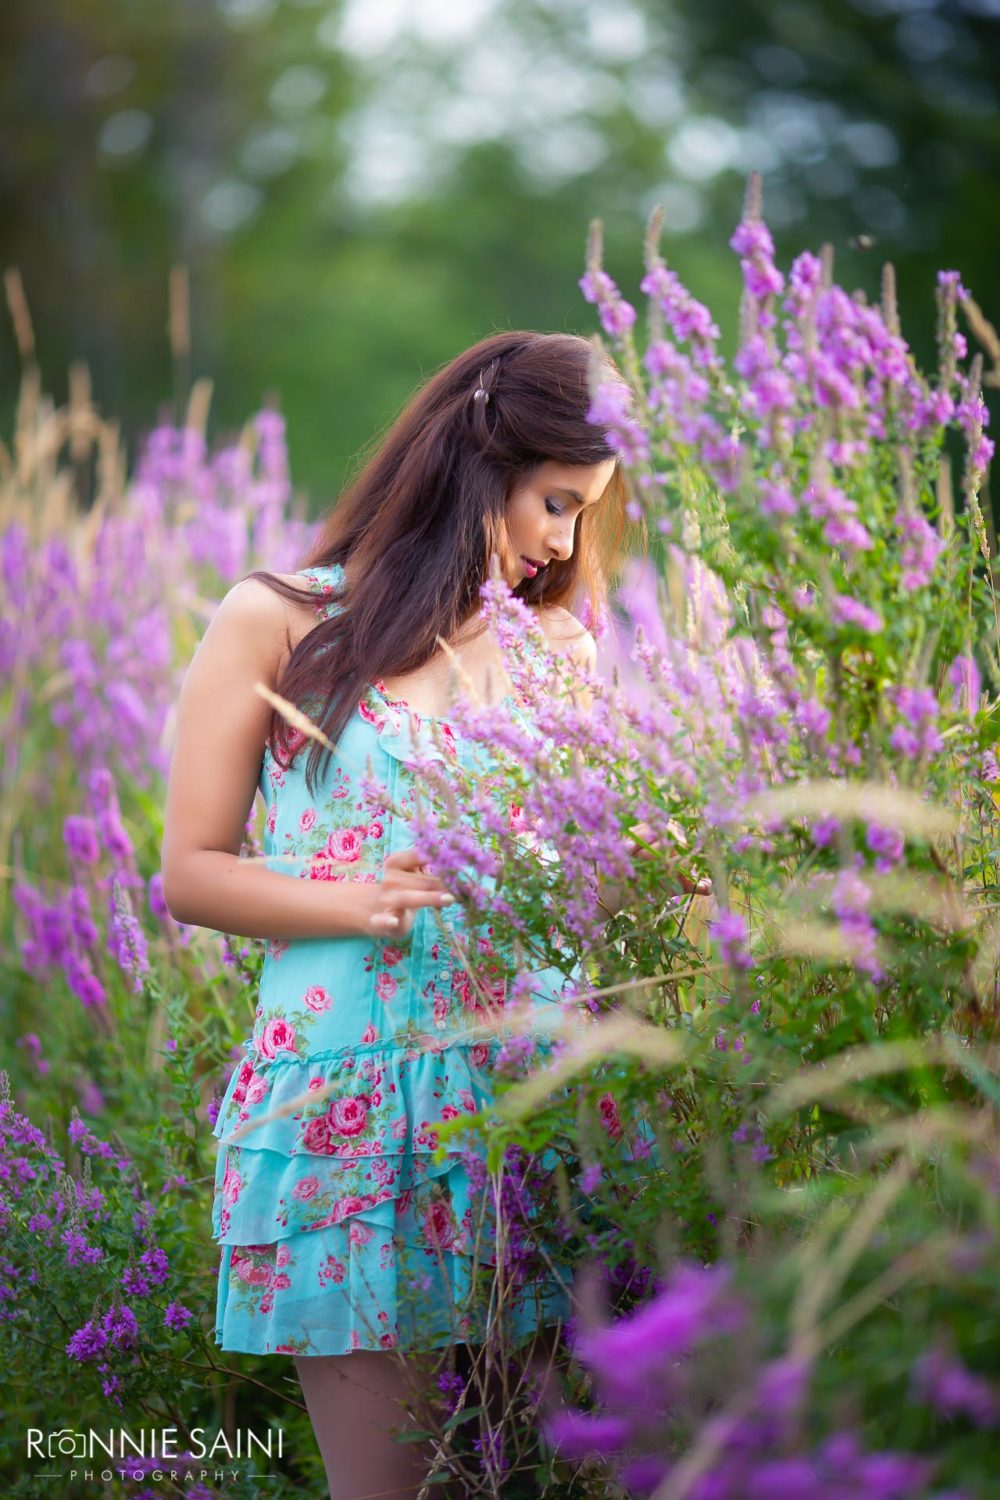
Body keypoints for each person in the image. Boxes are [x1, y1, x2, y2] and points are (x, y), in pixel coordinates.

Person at [161, 329, 656, 1498]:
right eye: (553, 501)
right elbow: (189, 871)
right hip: (343, 1105)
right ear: (478, 458)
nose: (565, 541)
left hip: (524, 1098)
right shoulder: (282, 621)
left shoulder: (560, 653)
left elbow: (582, 872)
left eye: (586, 514)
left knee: (534, 1478)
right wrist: (351, 901)